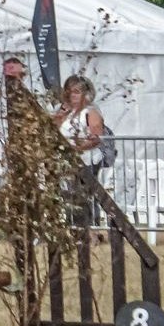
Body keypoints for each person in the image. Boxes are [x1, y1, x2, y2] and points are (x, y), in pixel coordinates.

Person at [56, 75, 108, 227]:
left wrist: (76, 148)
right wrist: (60, 116)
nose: (72, 95)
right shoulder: (65, 111)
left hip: (86, 160)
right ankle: (72, 225)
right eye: (69, 91)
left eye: (77, 92)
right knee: (68, 195)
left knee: (85, 195)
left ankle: (91, 226)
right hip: (66, 160)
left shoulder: (91, 112)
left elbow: (96, 138)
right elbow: (53, 130)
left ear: (85, 94)